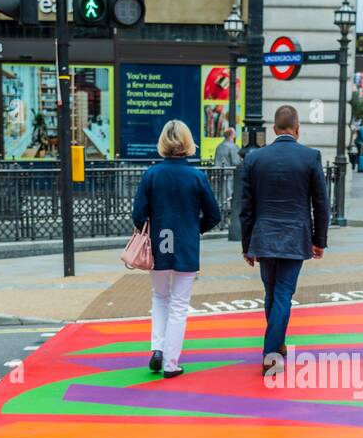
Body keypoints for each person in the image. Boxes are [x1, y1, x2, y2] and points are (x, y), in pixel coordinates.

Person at [240, 104, 330, 376]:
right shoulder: (310, 156)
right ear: (297, 128)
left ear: (274, 128)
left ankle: (276, 346)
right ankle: (271, 352)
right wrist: (319, 240)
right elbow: (321, 204)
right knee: (283, 295)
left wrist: (247, 245)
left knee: (272, 292)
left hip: (264, 236)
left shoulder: (255, 158)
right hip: (295, 236)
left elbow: (246, 207)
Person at [131, 119, 223, 379]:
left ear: (163, 143)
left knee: (159, 298)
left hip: (159, 244)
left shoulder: (151, 174)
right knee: (179, 305)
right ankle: (171, 363)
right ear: (187, 143)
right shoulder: (197, 176)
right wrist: (196, 229)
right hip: (185, 244)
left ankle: (157, 349)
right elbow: (214, 214)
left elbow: (138, 214)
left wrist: (152, 230)